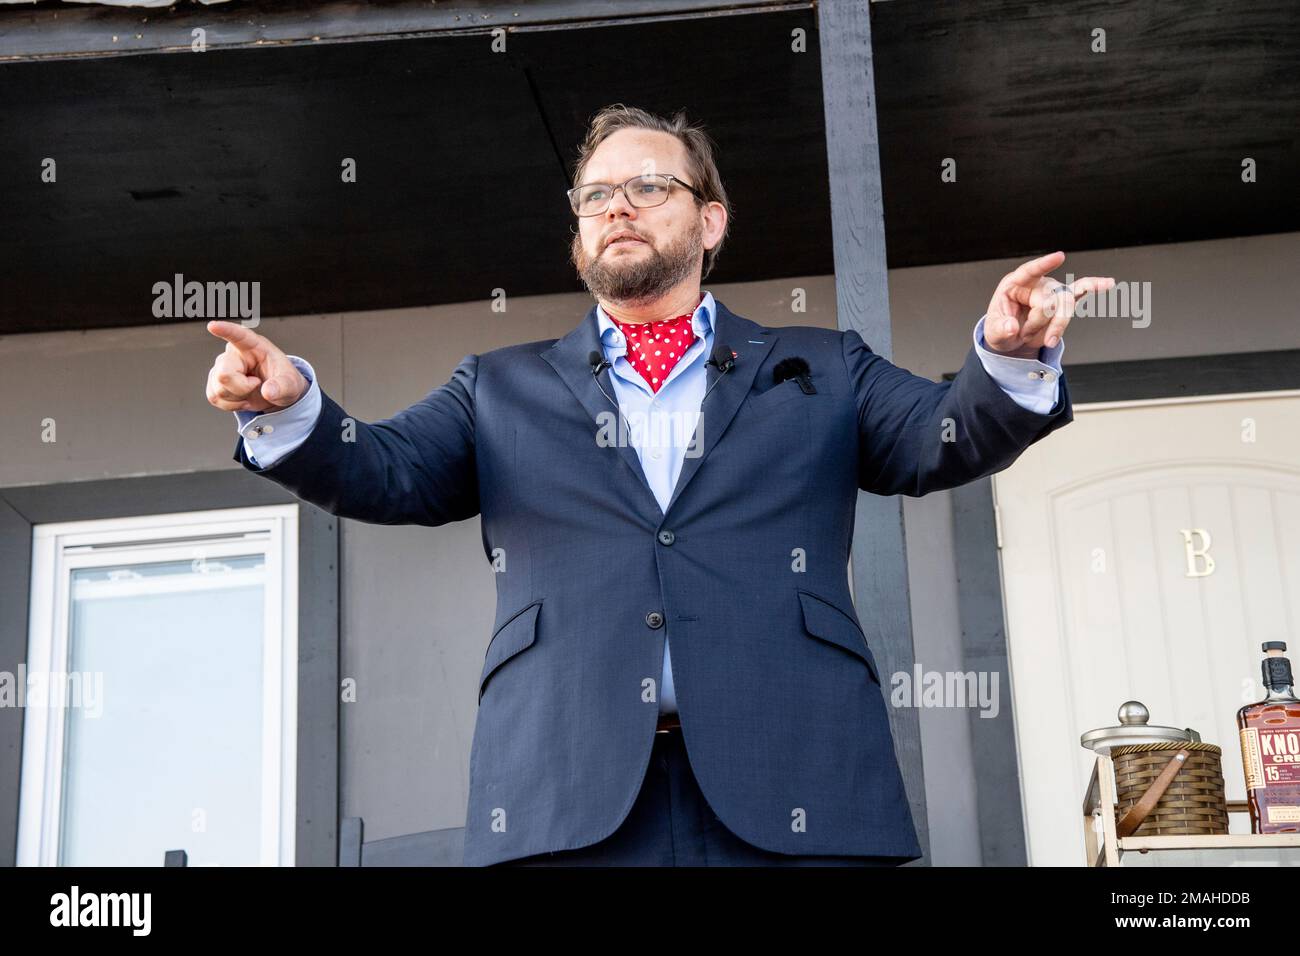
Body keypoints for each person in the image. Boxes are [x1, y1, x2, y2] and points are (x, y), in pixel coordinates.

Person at [205, 104, 1113, 866]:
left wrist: (1007, 355)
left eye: (649, 187)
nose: (618, 208)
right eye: (596, 195)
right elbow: (384, 469)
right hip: (566, 796)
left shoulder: (820, 366)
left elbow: (938, 439)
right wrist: (289, 409)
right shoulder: (498, 386)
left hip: (798, 781)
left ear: (710, 221)